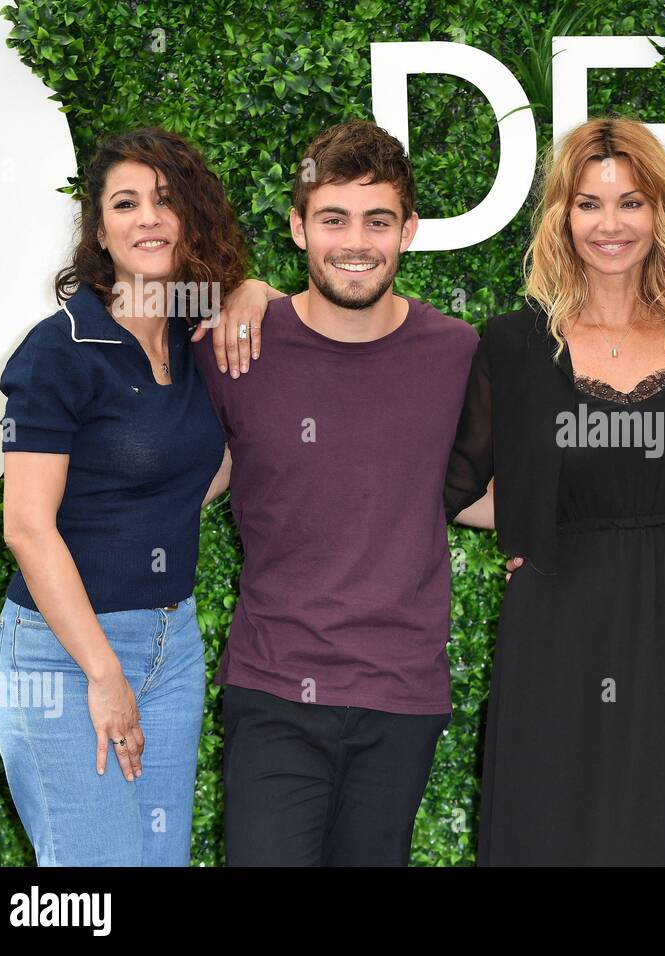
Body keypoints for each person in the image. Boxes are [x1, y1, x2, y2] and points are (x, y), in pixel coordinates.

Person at [444, 117, 665, 865]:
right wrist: (530, 525)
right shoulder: (514, 344)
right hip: (559, 626)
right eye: (589, 203)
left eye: (630, 202)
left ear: (661, 213)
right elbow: (455, 490)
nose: (609, 224)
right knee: (559, 829)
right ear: (561, 215)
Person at [194, 121, 479, 866]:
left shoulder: (458, 353)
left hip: (402, 694)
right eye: (333, 219)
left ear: (408, 231)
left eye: (378, 220)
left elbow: (478, 491)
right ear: (297, 228)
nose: (356, 241)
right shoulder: (234, 344)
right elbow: (177, 471)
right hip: (274, 689)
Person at [0, 127, 266, 865]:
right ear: (101, 231)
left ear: (192, 219)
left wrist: (256, 291)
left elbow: (194, 482)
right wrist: (104, 673)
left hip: (172, 648)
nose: (147, 217)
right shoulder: (58, 350)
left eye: (166, 201)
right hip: (65, 657)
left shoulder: (193, 336)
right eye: (125, 203)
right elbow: (26, 529)